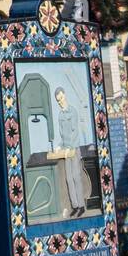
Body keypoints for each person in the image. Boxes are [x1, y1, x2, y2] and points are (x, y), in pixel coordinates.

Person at [54, 88, 88, 217]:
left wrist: (69, 147)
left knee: (76, 178)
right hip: (66, 151)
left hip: (74, 149)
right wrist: (59, 146)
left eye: (61, 98)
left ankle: (81, 206)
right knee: (69, 179)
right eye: (58, 101)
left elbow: (74, 132)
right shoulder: (60, 115)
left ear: (65, 96)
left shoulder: (72, 111)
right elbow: (63, 136)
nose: (60, 102)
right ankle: (75, 206)